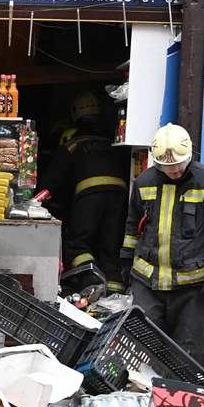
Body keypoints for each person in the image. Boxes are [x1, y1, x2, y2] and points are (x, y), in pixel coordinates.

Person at [121, 123, 204, 360]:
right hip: (148, 281)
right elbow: (133, 225)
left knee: (186, 352)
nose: (173, 171)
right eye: (167, 167)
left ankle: (178, 394)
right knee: (143, 345)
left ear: (190, 155)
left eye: (178, 165)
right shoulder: (144, 182)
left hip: (192, 288)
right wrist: (126, 259)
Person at [42, 92, 130, 291]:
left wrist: (38, 202)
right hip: (119, 198)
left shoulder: (72, 144)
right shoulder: (113, 142)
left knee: (77, 245)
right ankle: (115, 295)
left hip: (89, 200)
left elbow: (51, 183)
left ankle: (92, 285)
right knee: (111, 248)